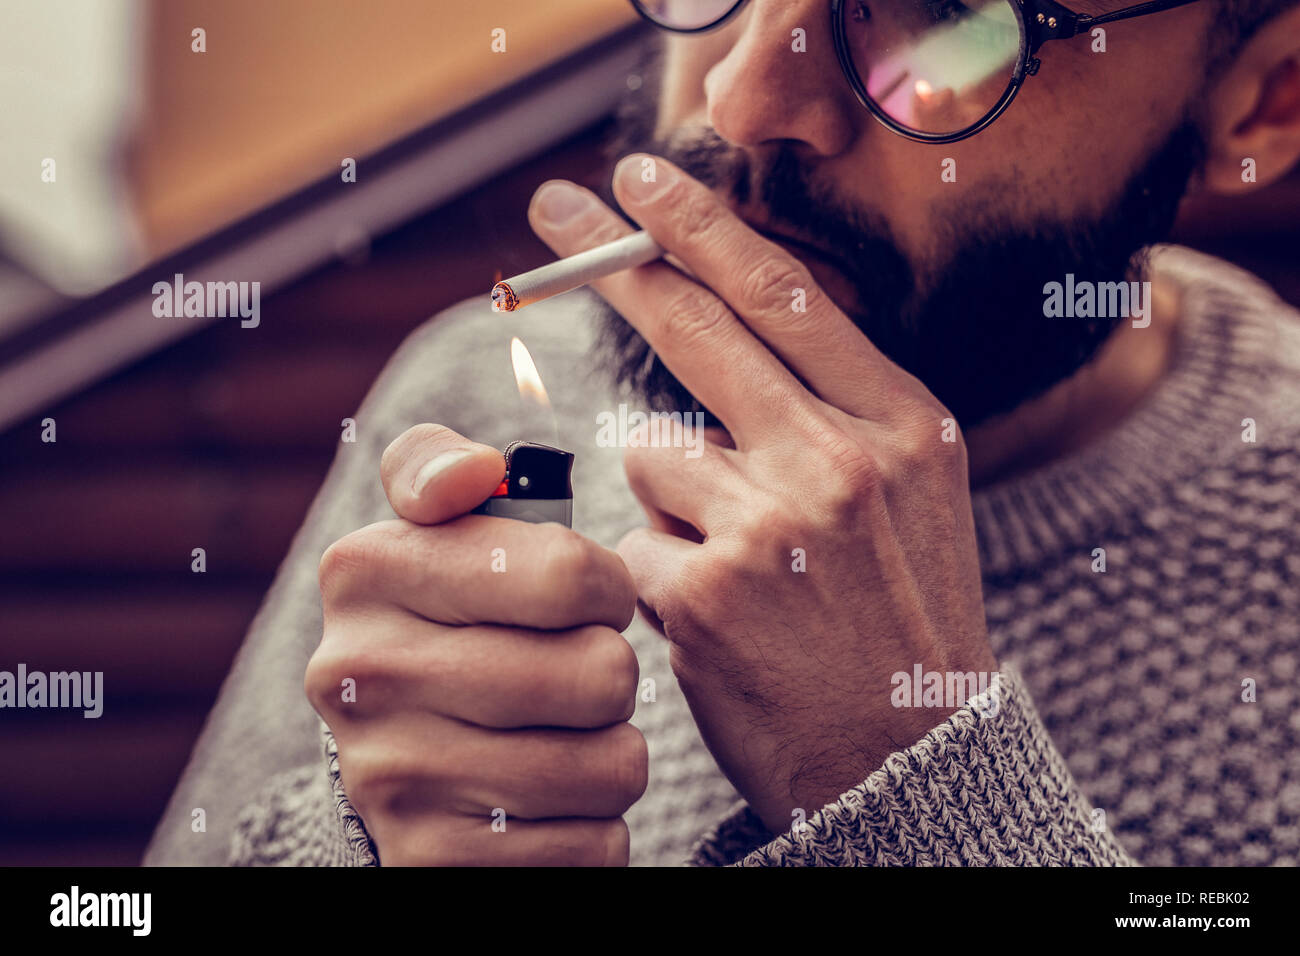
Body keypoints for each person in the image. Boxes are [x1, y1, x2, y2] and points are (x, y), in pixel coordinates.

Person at [146, 0, 1300, 866]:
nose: (742, 97)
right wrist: (356, 843)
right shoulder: (479, 391)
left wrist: (914, 791)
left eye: (952, 21)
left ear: (1267, 96)